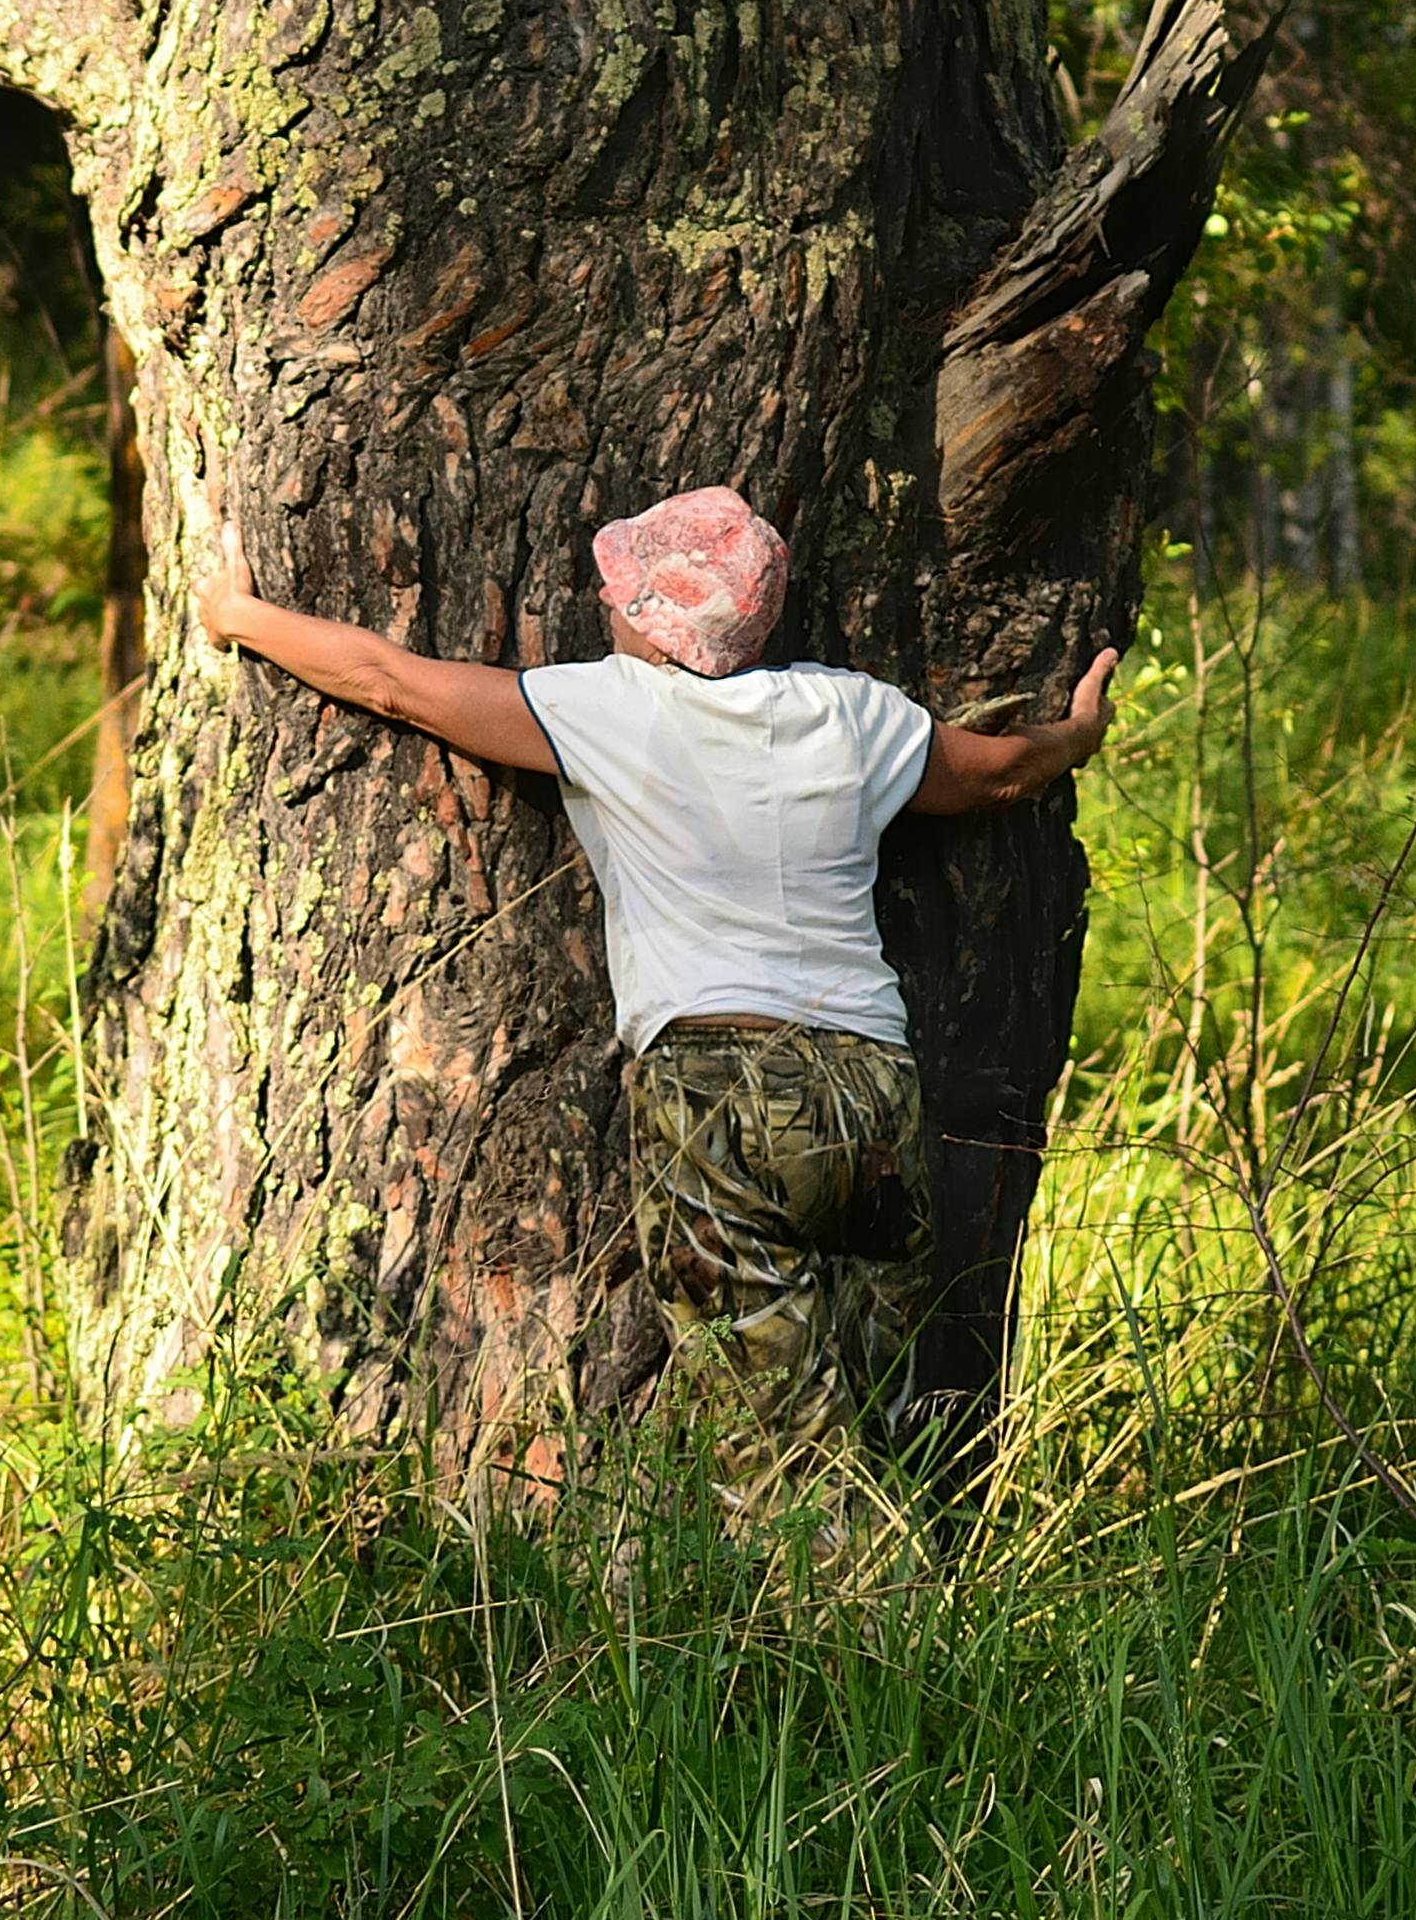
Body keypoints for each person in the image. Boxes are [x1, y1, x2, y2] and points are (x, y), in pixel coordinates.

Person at [200, 480, 1113, 1493]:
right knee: (877, 1411)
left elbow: (390, 682)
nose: (602, 600)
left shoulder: (606, 707)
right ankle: (913, 1625)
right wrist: (1075, 734)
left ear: (647, 615)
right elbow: (995, 772)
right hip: (871, 1092)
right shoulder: (849, 711)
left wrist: (236, 615)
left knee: (782, 1459)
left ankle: (848, 1621)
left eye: (619, 587)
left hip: (716, 1086)